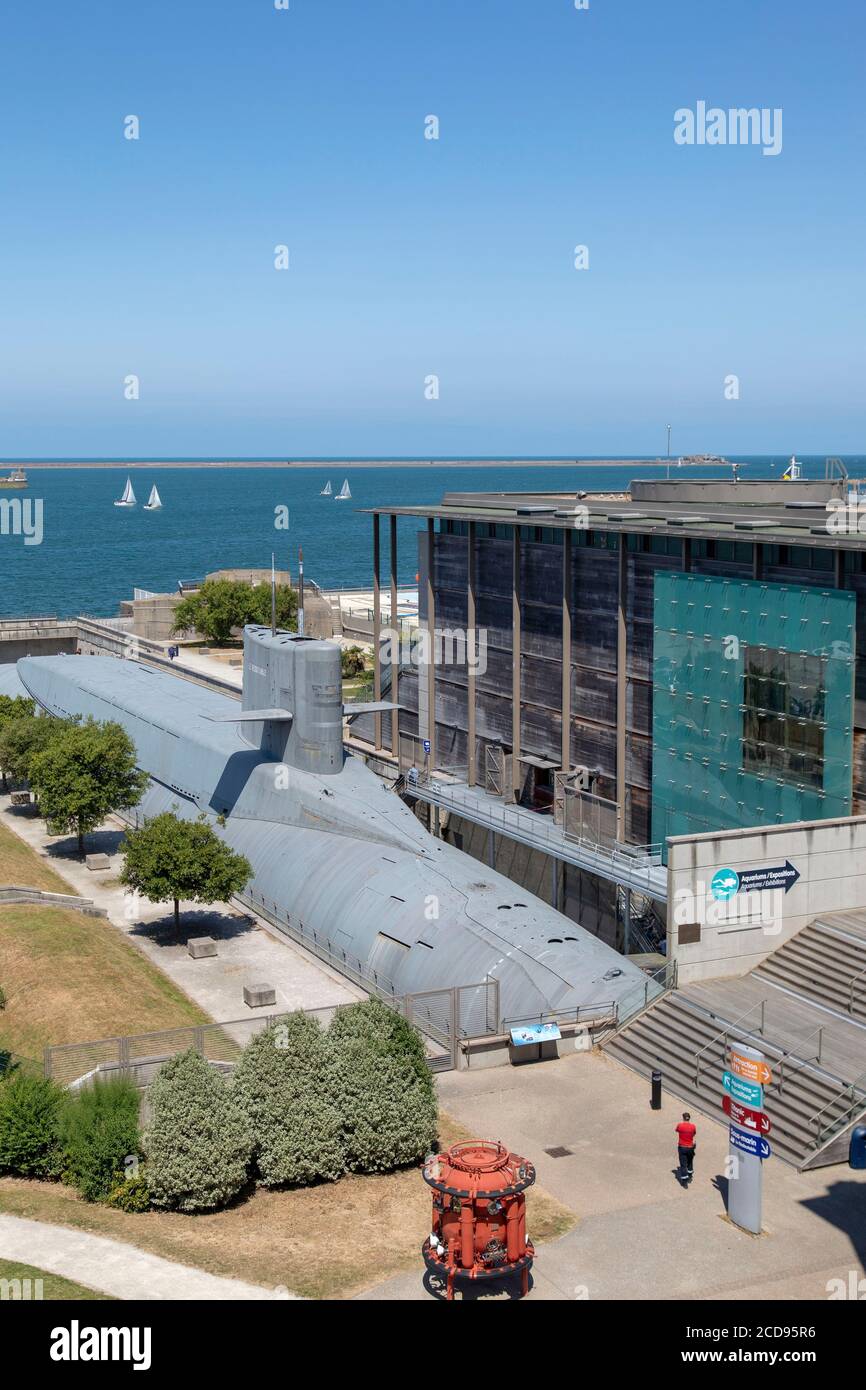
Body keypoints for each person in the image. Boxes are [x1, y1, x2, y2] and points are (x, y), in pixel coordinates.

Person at [675, 1112, 697, 1184]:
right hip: (690, 1147)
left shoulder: (680, 1125)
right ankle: (690, 1175)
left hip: (682, 1147)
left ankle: (684, 1180)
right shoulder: (693, 1126)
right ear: (689, 1118)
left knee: (683, 1164)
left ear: (683, 1118)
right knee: (690, 1161)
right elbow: (694, 1133)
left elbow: (676, 1130)